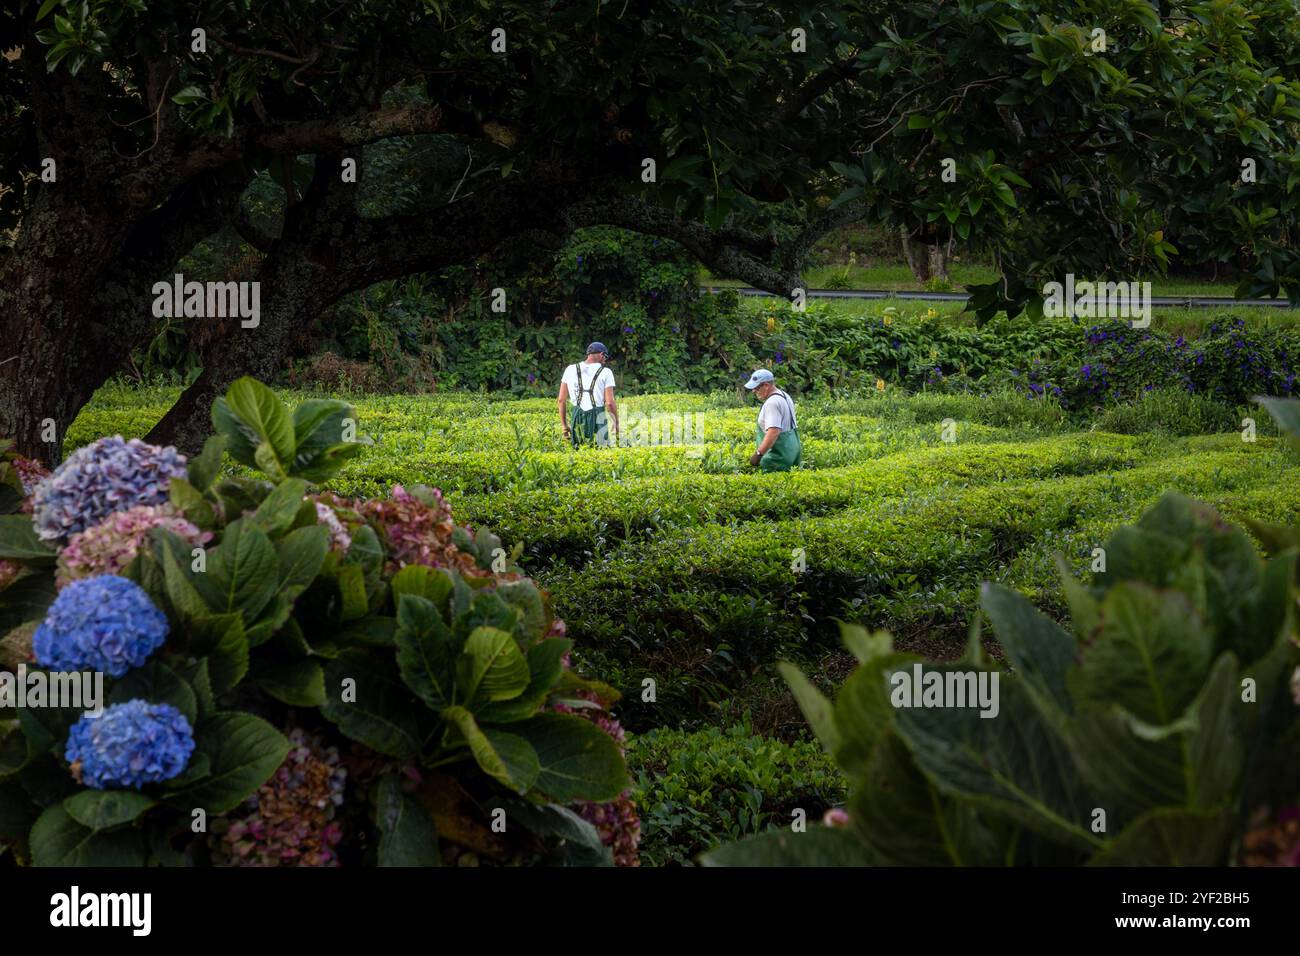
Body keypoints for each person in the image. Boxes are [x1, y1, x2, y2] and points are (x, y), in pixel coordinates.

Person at [559, 342, 619, 448]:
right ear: (601, 354)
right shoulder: (606, 372)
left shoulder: (570, 369)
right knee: (602, 453)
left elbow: (561, 400)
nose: (605, 360)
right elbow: (609, 403)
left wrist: (564, 426)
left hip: (577, 417)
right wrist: (616, 424)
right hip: (598, 417)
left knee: (579, 454)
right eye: (605, 357)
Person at [743, 368, 801, 472]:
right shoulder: (784, 395)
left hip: (777, 454)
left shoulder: (772, 403)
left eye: (756, 388)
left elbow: (774, 432)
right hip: (791, 449)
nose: (754, 391)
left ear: (766, 385)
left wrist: (758, 454)